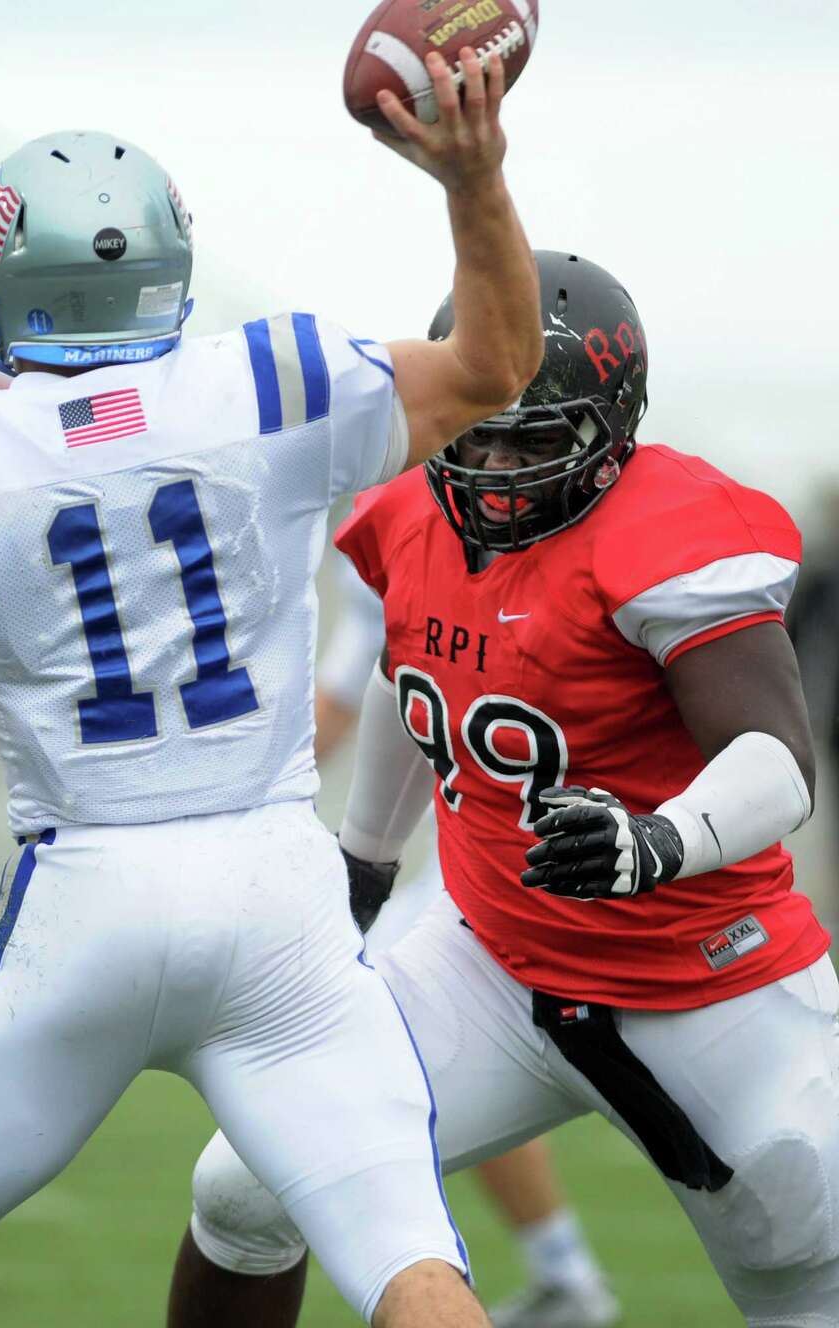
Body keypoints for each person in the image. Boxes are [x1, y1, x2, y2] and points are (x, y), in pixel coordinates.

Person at [0, 50, 545, 1328]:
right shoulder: (274, 383)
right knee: (409, 1269)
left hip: (87, 899)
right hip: (278, 896)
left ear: (5, 285)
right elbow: (497, 364)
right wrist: (476, 181)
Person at [168, 251, 839, 1328]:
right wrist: (364, 858)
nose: (491, 461)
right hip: (491, 960)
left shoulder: (668, 531)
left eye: (533, 436)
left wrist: (656, 840)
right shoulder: (414, 511)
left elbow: (776, 754)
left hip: (704, 983)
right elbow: (415, 671)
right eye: (478, 424)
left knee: (807, 1287)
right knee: (246, 1183)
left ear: (611, 429)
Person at [315, 563, 619, 1327]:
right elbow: (362, 688)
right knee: (410, 1064)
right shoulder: (394, 529)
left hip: (579, 852)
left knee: (388, 1071)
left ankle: (543, 1275)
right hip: (463, 857)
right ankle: (562, 1271)